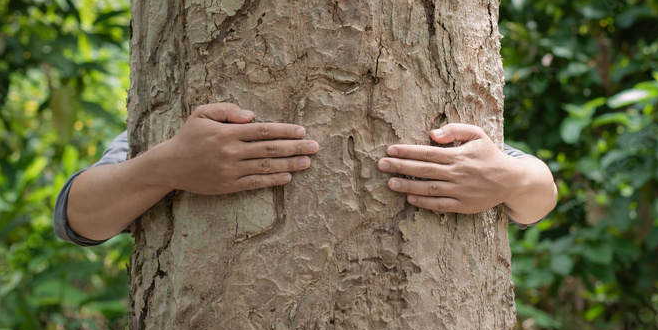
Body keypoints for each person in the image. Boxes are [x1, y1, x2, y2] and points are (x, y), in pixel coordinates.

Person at [53, 102, 557, 246]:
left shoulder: (429, 108)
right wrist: (169, 166)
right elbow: (77, 216)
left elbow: (540, 194)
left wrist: (511, 180)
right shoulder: (181, 125)